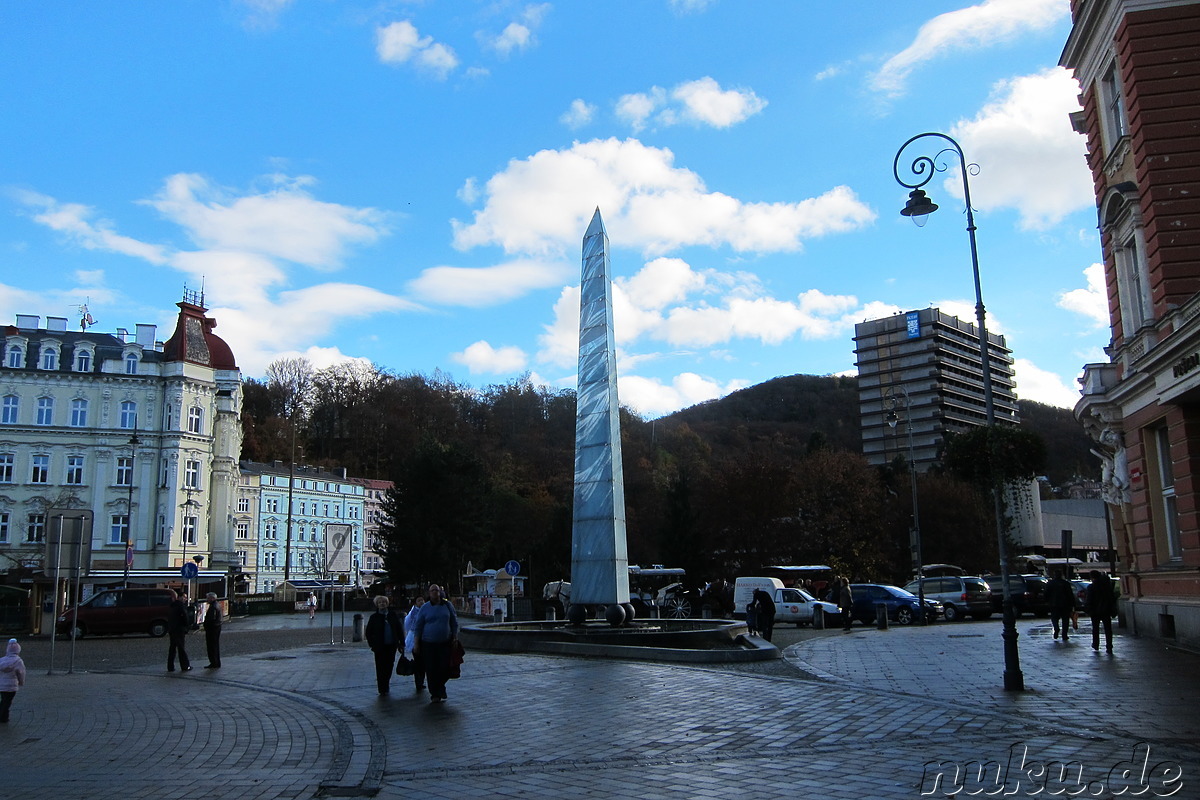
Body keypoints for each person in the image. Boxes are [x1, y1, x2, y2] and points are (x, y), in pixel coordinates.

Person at [413, 584, 458, 704]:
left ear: (440, 592)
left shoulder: (447, 605)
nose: (435, 592)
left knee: (444, 667)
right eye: (432, 590)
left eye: (437, 590)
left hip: (445, 642)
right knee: (431, 668)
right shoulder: (425, 607)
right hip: (428, 643)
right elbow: (418, 626)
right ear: (429, 593)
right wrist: (416, 643)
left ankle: (440, 687)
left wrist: (455, 636)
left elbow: (454, 622)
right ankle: (435, 694)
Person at [364, 595, 404, 695]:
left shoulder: (392, 615)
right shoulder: (374, 617)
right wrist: (372, 644)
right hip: (379, 646)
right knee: (380, 666)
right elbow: (368, 632)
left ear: (387, 603)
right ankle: (382, 687)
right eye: (380, 602)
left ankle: (386, 682)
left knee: (390, 665)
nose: (382, 604)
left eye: (384, 602)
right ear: (377, 605)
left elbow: (399, 629)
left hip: (391, 645)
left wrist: (401, 643)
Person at [1086, 570, 1118, 653]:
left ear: (1092, 577)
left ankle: (1096, 644)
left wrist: (1088, 610)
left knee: (1095, 628)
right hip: (1106, 610)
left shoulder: (1091, 587)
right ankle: (1109, 646)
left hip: (1095, 611)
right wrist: (1113, 609)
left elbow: (1089, 600)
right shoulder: (1106, 587)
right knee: (1108, 629)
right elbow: (1112, 598)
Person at [0, 638, 27, 724]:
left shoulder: (2, 660)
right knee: (7, 701)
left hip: (1, 685)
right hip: (12, 685)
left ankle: (3, 716)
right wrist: (21, 682)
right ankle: (3, 716)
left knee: (4, 700)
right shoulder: (18, 661)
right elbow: (21, 673)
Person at [404, 595, 426, 692]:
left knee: (423, 662)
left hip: (425, 638)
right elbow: (409, 624)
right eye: (419, 600)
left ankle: (421, 681)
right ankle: (419, 682)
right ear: (415, 603)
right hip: (415, 638)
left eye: (422, 600)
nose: (421, 602)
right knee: (418, 661)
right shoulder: (414, 612)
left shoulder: (426, 610)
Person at [1045, 570, 1075, 642]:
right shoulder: (1066, 583)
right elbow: (1070, 594)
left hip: (1054, 604)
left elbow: (1046, 593)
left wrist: (1047, 601)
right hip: (1065, 604)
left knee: (1054, 618)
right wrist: (1073, 604)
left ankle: (1056, 627)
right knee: (1065, 620)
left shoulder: (1050, 583)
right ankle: (1064, 635)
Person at [167, 589, 192, 672]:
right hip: (179, 629)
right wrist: (187, 626)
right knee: (181, 648)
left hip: (172, 629)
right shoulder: (181, 606)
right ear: (180, 597)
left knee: (172, 648)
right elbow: (185, 617)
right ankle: (185, 666)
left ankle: (170, 666)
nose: (186, 599)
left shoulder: (172, 605)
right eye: (185, 597)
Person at [203, 592, 222, 668]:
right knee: (215, 646)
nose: (207, 600)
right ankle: (216, 662)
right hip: (216, 627)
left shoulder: (213, 607)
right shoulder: (216, 605)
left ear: (212, 598)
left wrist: (207, 625)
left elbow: (211, 619)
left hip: (213, 629)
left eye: (208, 598)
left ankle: (214, 662)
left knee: (212, 646)